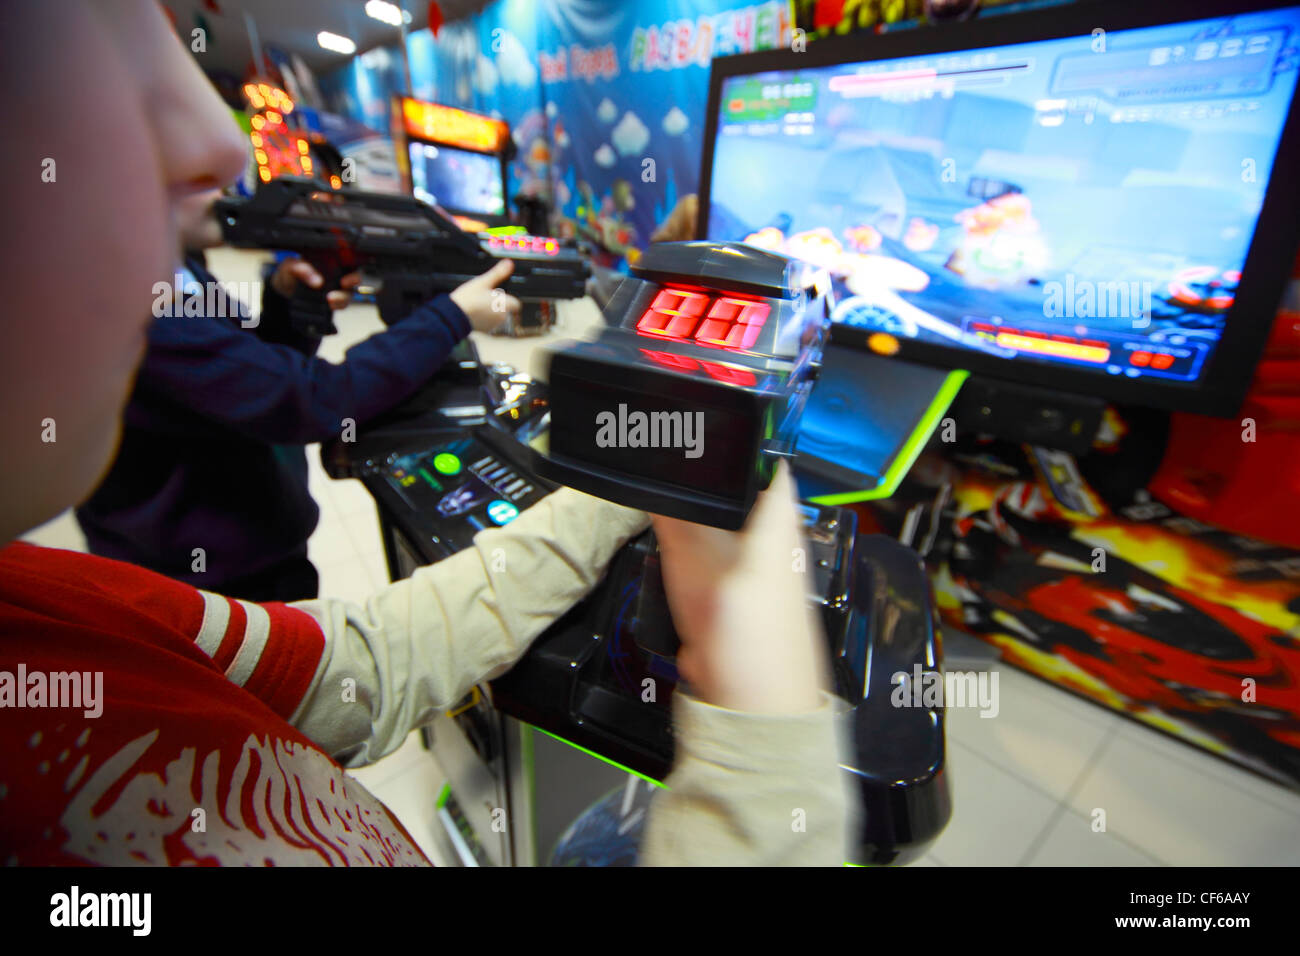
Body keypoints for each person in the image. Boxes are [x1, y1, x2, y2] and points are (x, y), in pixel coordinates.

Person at [0, 0, 848, 866]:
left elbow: (359, 667)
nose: (217, 148)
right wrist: (767, 734)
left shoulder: (70, 609)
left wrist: (627, 467)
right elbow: (314, 398)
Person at [74, 182, 520, 602]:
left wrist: (287, 306)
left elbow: (242, 379)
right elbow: (313, 399)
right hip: (207, 586)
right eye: (187, 173)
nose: (223, 186)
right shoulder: (137, 302)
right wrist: (452, 317)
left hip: (241, 546)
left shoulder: (178, 267)